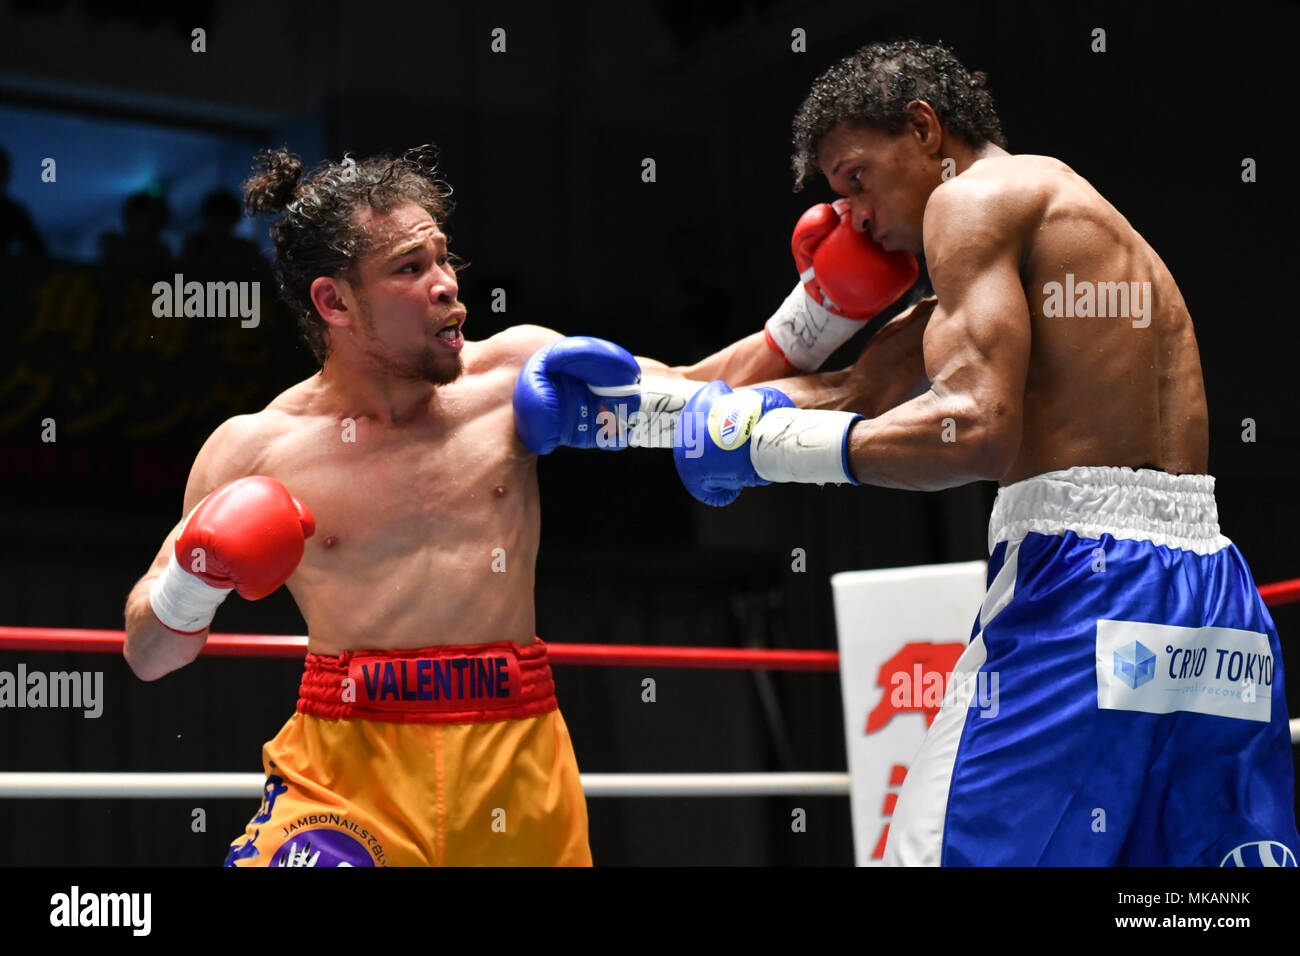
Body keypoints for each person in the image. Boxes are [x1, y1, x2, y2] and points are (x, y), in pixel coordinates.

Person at [120, 145, 916, 866]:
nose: (445, 283)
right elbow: (152, 655)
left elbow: (702, 398)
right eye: (408, 268)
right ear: (333, 302)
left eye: (443, 257)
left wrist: (823, 309)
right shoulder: (254, 450)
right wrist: (196, 578)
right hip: (346, 771)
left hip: (518, 756)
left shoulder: (512, 376)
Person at [671, 39, 1300, 866]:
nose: (853, 217)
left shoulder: (969, 202)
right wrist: (648, 408)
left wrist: (776, 452)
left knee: (935, 853)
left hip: (1084, 583)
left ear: (924, 129)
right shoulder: (1052, 222)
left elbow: (973, 425)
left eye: (856, 179)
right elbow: (852, 391)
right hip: (1212, 593)